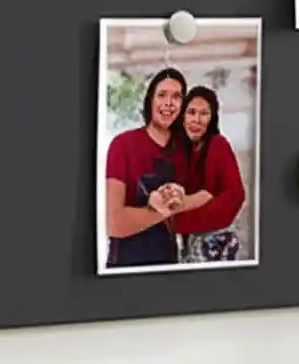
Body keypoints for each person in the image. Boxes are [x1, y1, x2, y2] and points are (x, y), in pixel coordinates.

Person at [104, 68, 187, 268]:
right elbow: (114, 222)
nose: (169, 103)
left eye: (176, 97)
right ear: (150, 100)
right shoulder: (123, 145)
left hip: (168, 265)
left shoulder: (185, 152)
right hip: (126, 266)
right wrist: (163, 210)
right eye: (162, 95)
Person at [167, 86, 245, 263]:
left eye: (204, 114)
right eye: (191, 112)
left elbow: (236, 195)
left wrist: (181, 219)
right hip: (188, 241)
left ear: (212, 118)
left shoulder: (218, 145)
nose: (196, 120)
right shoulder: (182, 149)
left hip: (216, 241)